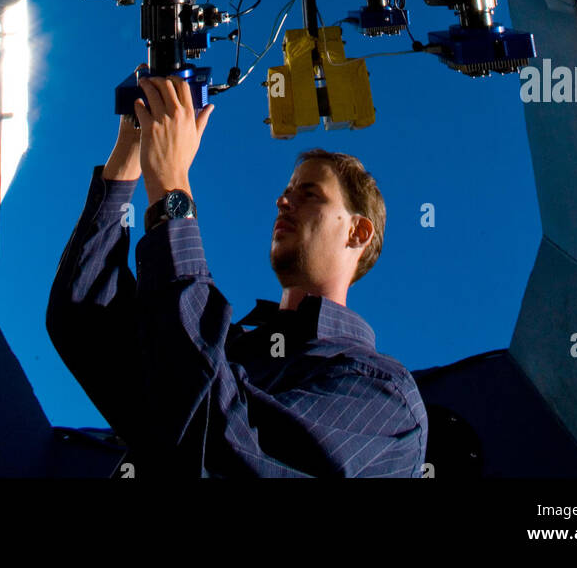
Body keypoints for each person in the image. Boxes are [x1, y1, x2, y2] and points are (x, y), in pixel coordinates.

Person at [46, 72, 428, 477]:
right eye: (287, 191)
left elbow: (224, 451)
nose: (283, 201)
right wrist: (129, 157)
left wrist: (172, 190)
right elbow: (82, 320)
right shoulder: (230, 348)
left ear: (358, 231)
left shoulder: (386, 396)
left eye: (309, 193)